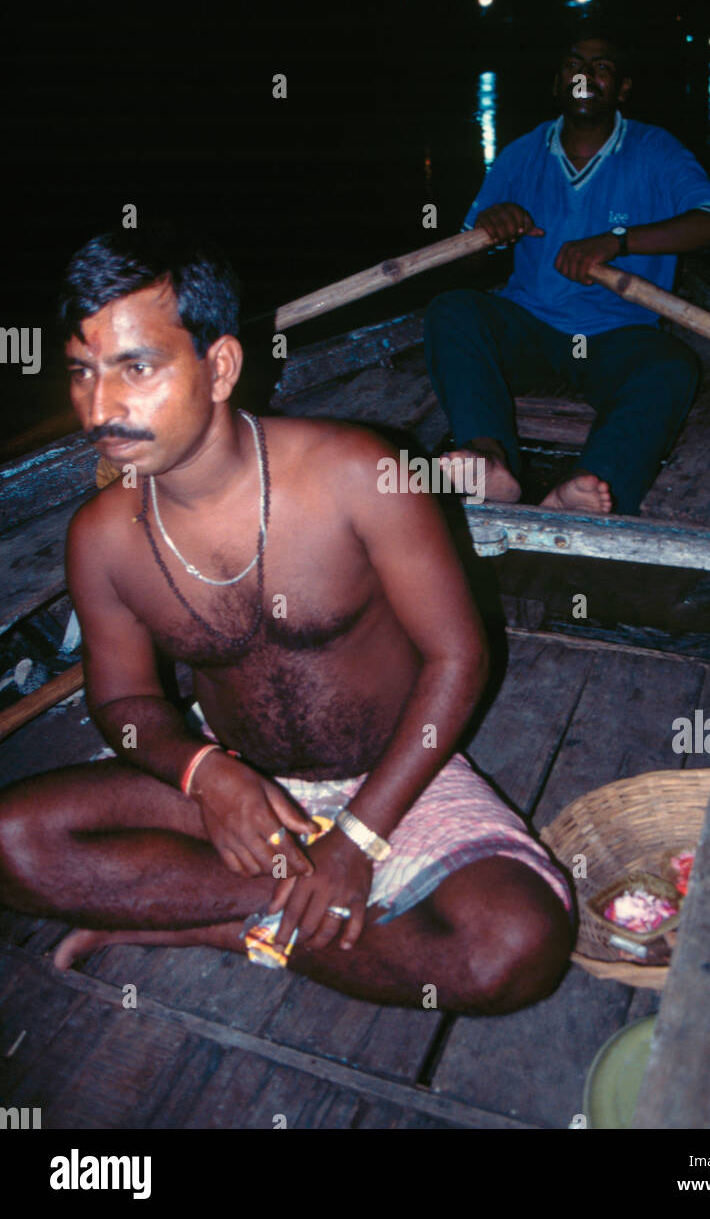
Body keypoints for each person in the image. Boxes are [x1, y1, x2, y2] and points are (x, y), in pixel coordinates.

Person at [0, 227, 573, 1015]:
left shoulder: (359, 473)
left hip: (398, 778)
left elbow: (457, 659)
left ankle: (226, 924)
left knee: (513, 949)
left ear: (222, 366)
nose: (100, 409)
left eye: (137, 368)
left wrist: (361, 838)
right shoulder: (101, 537)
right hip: (242, 791)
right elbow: (126, 705)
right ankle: (276, 907)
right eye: (81, 373)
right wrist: (208, 774)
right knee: (12, 842)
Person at [424, 20, 710, 515]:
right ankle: (490, 459)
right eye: (573, 65)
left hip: (618, 335)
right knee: (453, 311)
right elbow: (468, 257)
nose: (585, 75)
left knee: (672, 367)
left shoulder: (657, 150)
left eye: (602, 66)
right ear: (557, 83)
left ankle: (589, 486)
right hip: (530, 326)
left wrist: (619, 241)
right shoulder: (521, 153)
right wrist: (488, 228)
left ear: (623, 88)